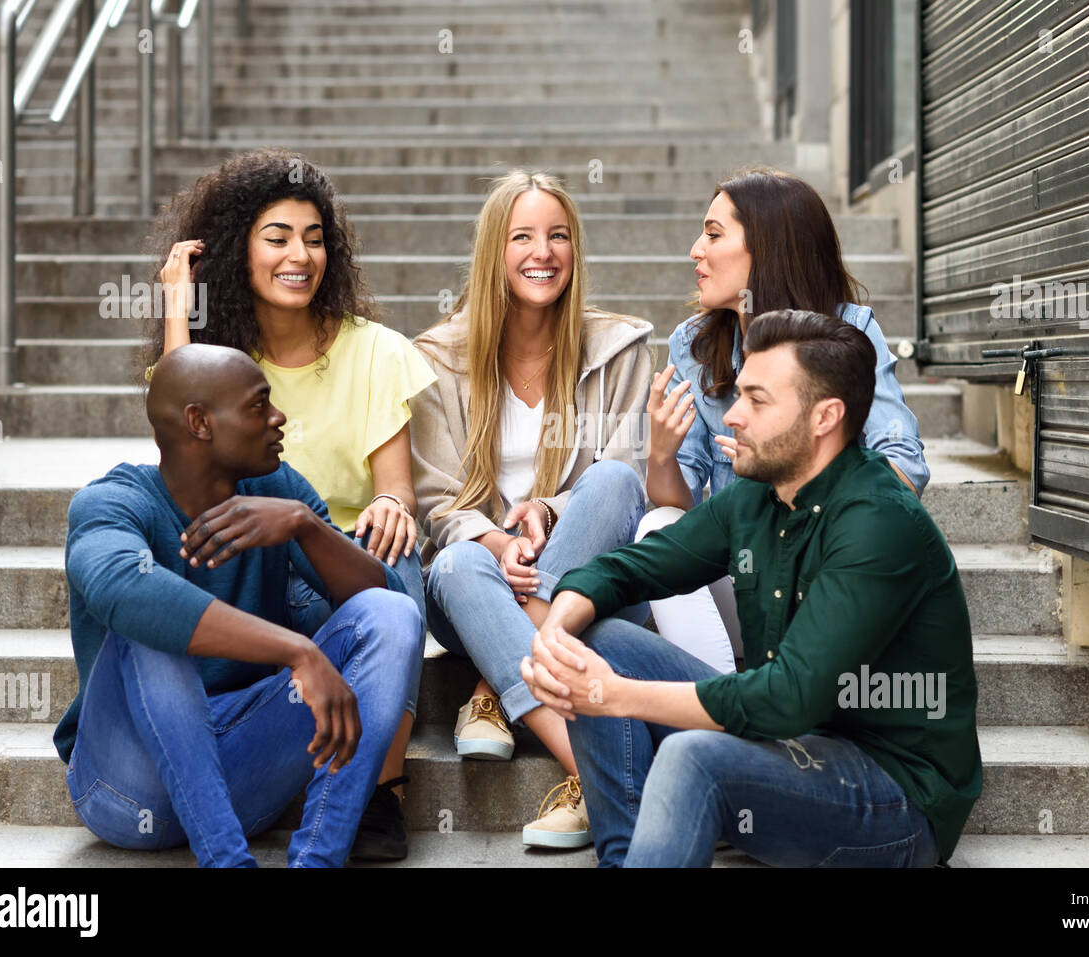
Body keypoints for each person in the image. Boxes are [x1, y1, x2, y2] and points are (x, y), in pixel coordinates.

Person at [520, 310, 982, 867]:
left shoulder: (877, 523)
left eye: (757, 401)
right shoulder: (760, 495)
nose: (732, 416)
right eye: (739, 395)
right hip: (790, 750)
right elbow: (632, 568)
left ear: (825, 417)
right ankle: (626, 858)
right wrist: (556, 626)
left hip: (893, 799)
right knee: (593, 638)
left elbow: (786, 698)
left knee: (693, 758)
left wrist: (614, 694)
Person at [144, 148, 436, 859]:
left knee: (396, 565)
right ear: (238, 251)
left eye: (312, 237)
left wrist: (395, 505)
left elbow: (394, 483)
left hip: (338, 553)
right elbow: (185, 466)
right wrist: (181, 315)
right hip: (251, 567)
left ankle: (380, 788)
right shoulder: (215, 371)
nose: (298, 255)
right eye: (276, 237)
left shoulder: (378, 352)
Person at [59, 344, 424, 867]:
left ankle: (318, 859)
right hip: (126, 789)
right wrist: (300, 651)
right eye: (259, 406)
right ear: (199, 423)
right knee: (148, 627)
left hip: (239, 774)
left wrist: (305, 523)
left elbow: (383, 602)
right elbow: (124, 589)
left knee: (395, 614)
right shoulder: (113, 502)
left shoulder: (273, 488)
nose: (278, 418)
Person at [410, 170, 653, 849]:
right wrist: (494, 541)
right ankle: (598, 772)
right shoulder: (437, 358)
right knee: (455, 563)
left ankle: (494, 682)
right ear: (495, 250)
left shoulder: (621, 348)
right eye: (523, 236)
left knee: (608, 482)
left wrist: (547, 511)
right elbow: (434, 498)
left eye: (559, 236)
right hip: (478, 587)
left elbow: (628, 476)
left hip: (590, 588)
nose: (542, 252)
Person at [641, 168, 928, 675]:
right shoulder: (694, 344)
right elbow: (682, 506)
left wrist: (790, 471)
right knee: (656, 527)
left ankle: (743, 712)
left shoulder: (850, 332)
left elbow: (904, 467)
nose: (695, 251)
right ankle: (725, 707)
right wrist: (662, 454)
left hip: (830, 579)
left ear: (766, 248)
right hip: (750, 579)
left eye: (712, 234)